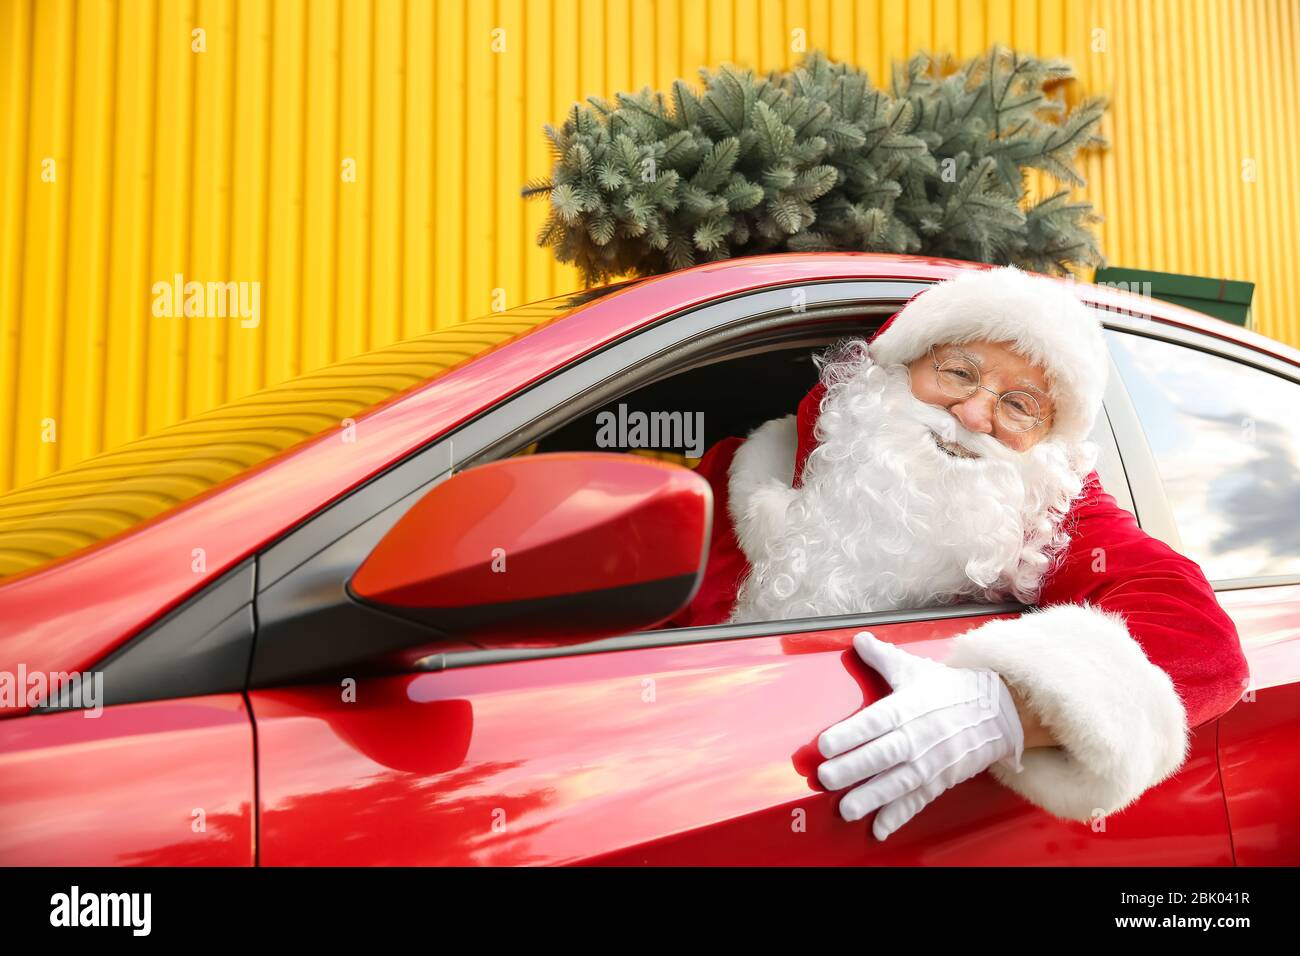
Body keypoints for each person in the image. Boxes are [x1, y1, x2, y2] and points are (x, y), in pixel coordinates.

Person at [662, 265, 1250, 841]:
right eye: (959, 372)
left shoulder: (1049, 514)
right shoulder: (732, 474)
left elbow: (1201, 642)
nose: (973, 415)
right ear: (900, 367)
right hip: (675, 779)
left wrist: (1003, 706)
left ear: (1046, 441)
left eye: (1019, 406)